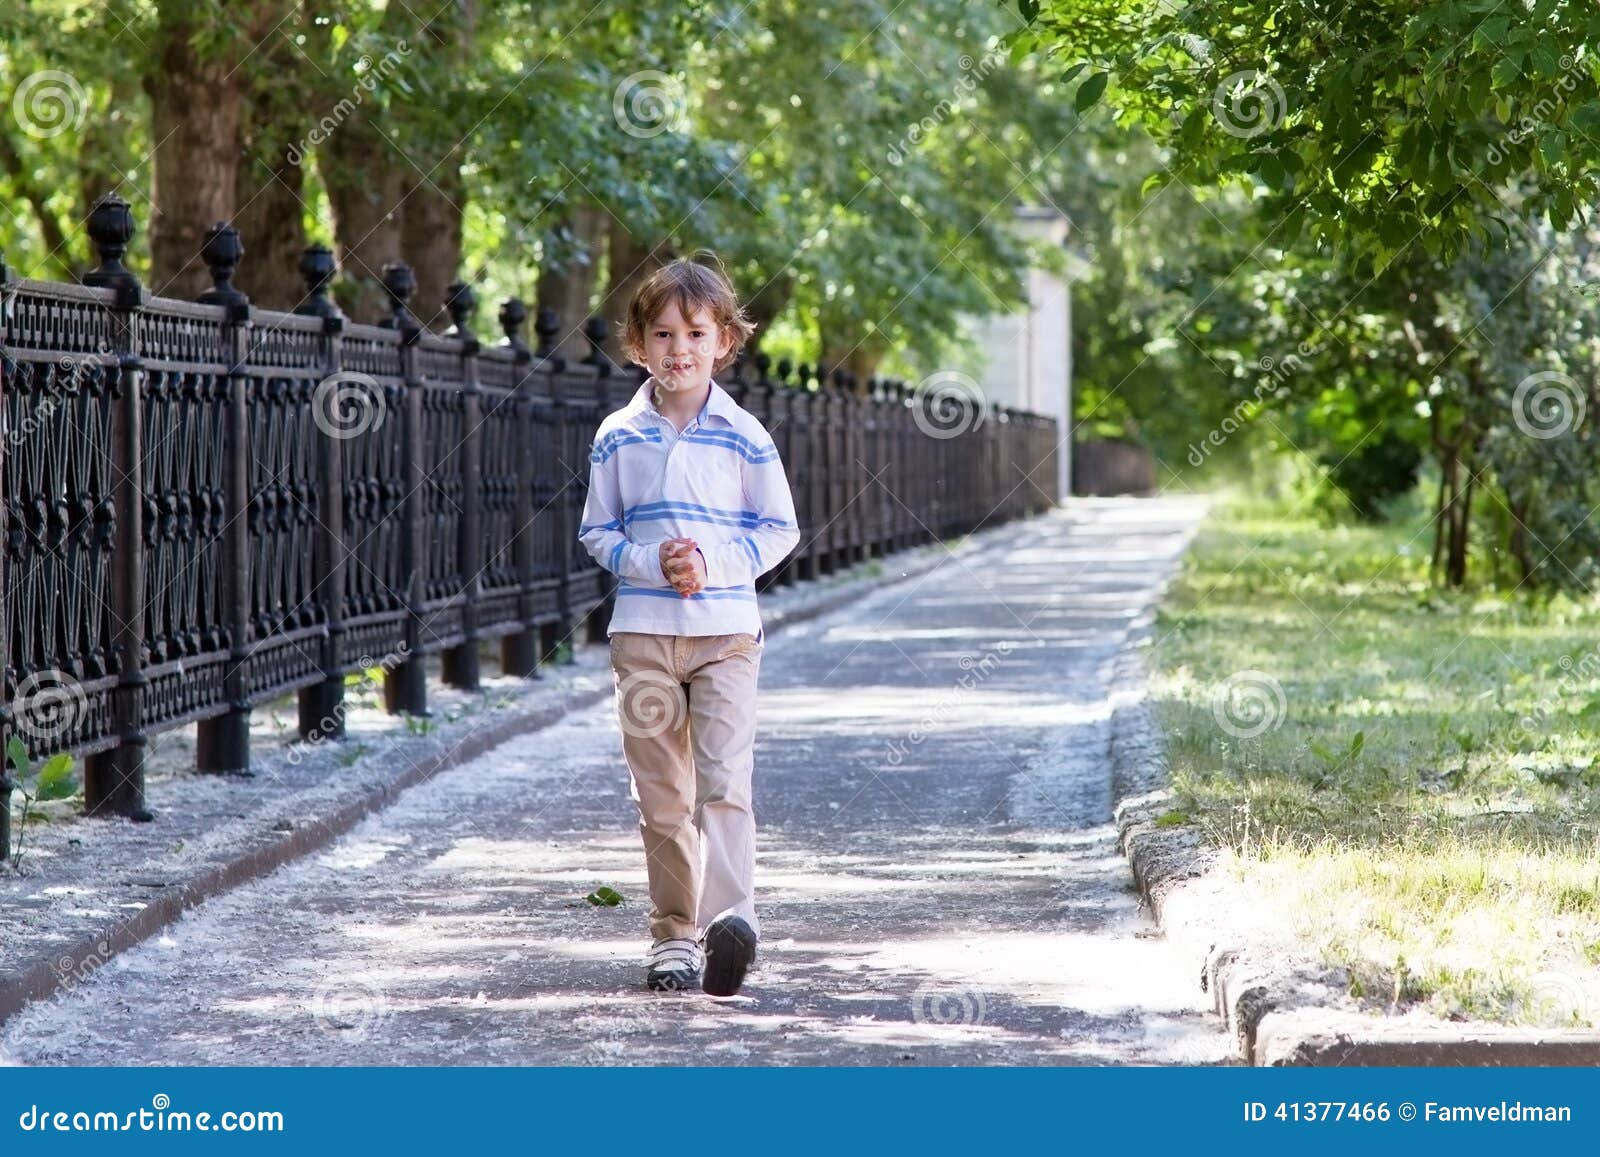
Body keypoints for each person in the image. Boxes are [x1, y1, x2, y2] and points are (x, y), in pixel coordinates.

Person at [577, 254, 800, 996]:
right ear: (639, 344)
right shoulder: (617, 434)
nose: (680, 349)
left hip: (726, 634)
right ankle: (673, 934)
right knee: (663, 794)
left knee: (724, 781)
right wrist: (650, 562)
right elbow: (598, 531)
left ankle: (731, 920)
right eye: (664, 334)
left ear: (723, 342)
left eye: (696, 333)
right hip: (643, 633)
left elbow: (780, 528)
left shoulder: (744, 435)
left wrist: (712, 563)